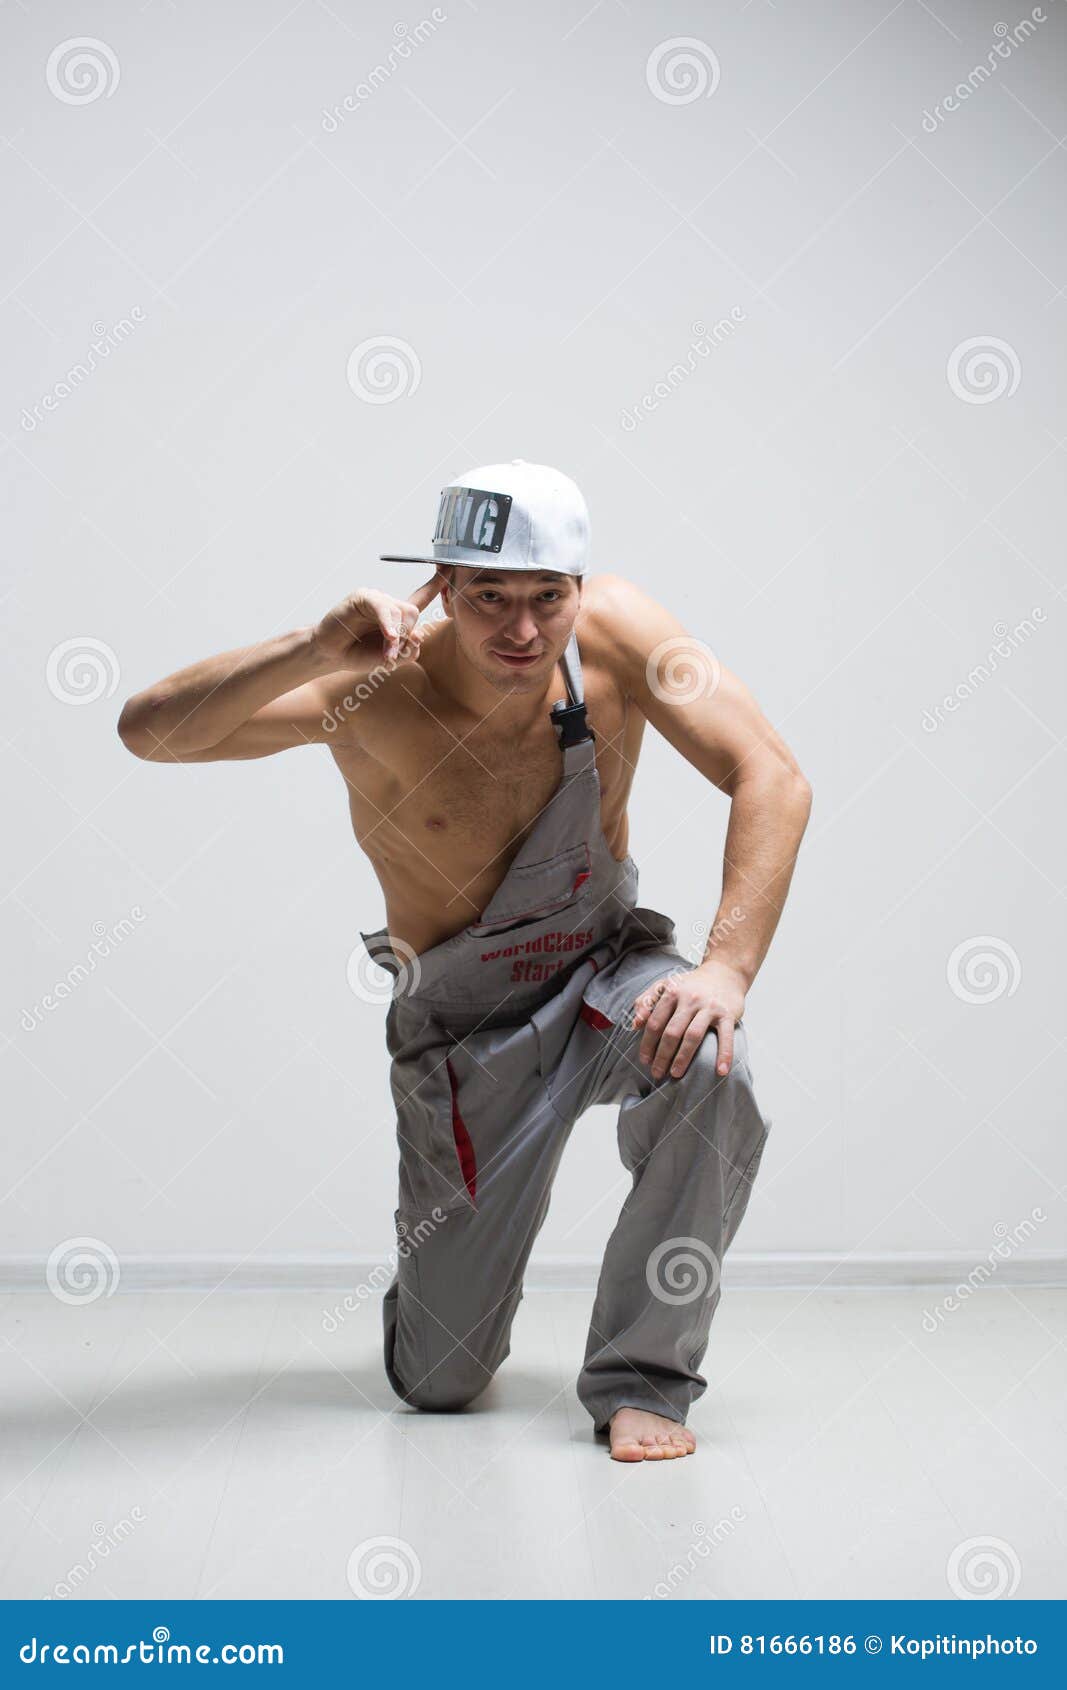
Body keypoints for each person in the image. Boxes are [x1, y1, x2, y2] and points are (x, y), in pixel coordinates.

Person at [117, 460, 811, 1463]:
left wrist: (724, 969)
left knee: (710, 1059)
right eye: (488, 596)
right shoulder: (366, 685)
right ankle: (438, 1298)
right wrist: (309, 644)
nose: (520, 631)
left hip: (606, 970)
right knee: (441, 1381)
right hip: (466, 1028)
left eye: (545, 599)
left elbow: (770, 775)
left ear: (580, 587)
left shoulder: (619, 633)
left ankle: (643, 1377)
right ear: (439, 584)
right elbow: (152, 735)